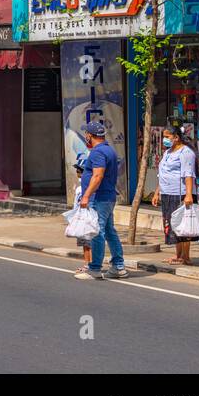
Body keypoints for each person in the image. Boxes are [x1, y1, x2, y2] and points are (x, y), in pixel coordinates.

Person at [76, 120, 129, 280]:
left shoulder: (98, 152)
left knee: (97, 232)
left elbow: (98, 175)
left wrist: (85, 196)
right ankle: (118, 266)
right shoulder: (108, 150)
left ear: (90, 136)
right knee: (109, 231)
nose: (86, 136)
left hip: (98, 198)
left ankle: (95, 268)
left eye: (87, 134)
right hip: (106, 197)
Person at [152, 125, 197, 265]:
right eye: (164, 137)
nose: (164, 139)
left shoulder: (186, 153)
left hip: (180, 194)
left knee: (183, 226)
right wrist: (157, 192)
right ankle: (178, 255)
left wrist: (188, 195)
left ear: (176, 138)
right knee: (173, 225)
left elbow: (189, 175)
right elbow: (164, 174)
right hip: (167, 193)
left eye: (167, 137)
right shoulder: (168, 153)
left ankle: (186, 257)